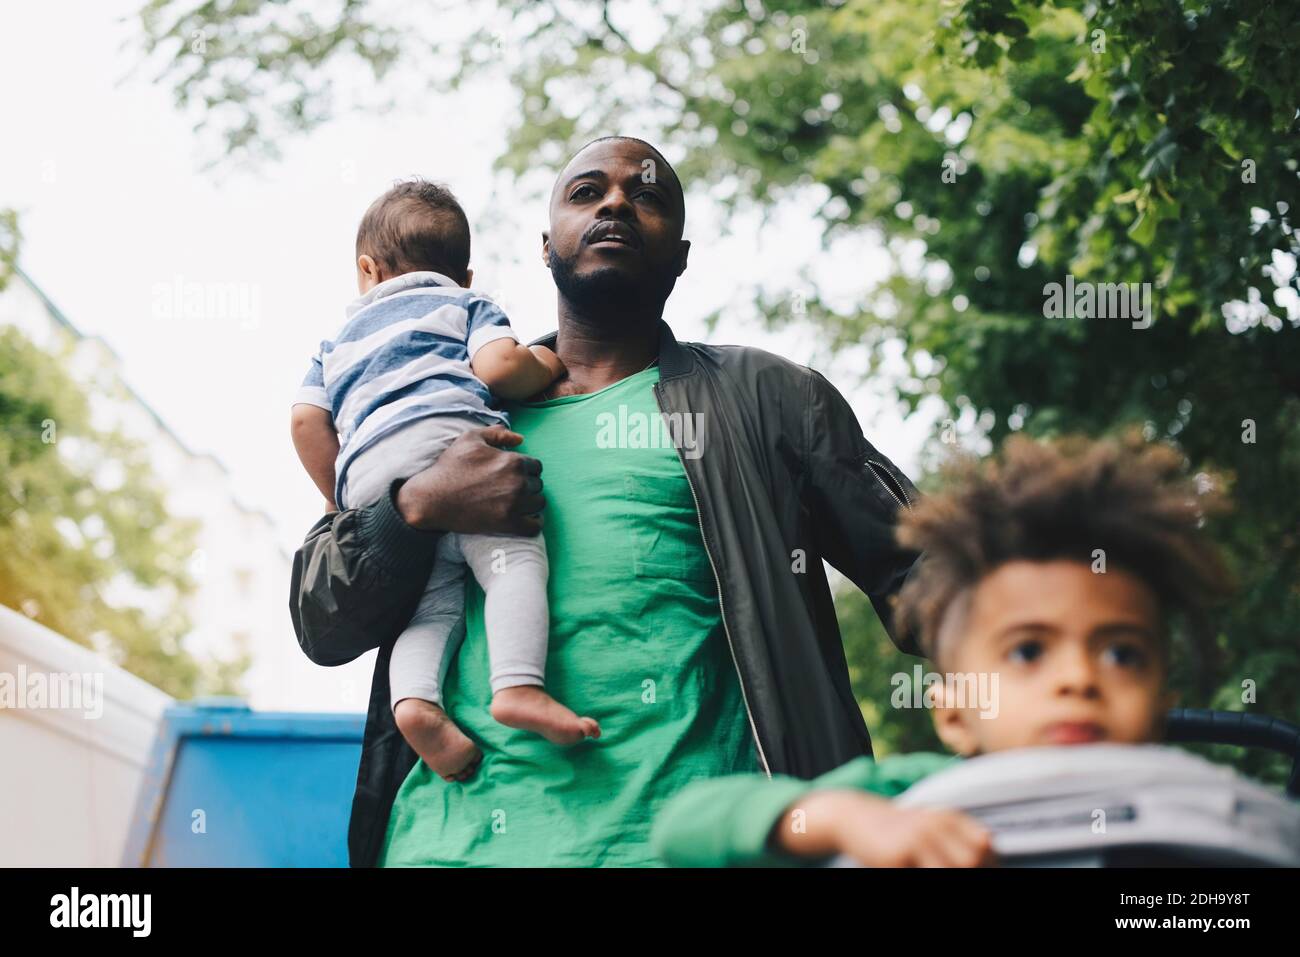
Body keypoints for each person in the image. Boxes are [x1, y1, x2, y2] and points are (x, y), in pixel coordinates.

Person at [288, 136, 922, 866]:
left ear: (680, 255)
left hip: (687, 847)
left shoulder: (768, 400)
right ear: (546, 245)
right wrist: (418, 505)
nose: (616, 201)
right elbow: (321, 620)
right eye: (587, 192)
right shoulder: (450, 404)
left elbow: (929, 569)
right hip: (443, 846)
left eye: (646, 195)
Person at [650, 434, 1235, 867]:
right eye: (1029, 652)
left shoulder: (1209, 812)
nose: (1079, 679)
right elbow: (684, 827)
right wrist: (844, 819)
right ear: (954, 714)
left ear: (1163, 707)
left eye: (1122, 656)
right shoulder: (915, 797)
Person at [291, 179, 599, 783]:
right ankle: (517, 687)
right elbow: (500, 366)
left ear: (367, 270)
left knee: (429, 610)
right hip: (454, 445)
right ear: (464, 271)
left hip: (374, 482)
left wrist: (336, 498)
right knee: (514, 562)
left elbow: (305, 420)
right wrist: (549, 360)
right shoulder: (464, 304)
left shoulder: (333, 344)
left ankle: (415, 706)